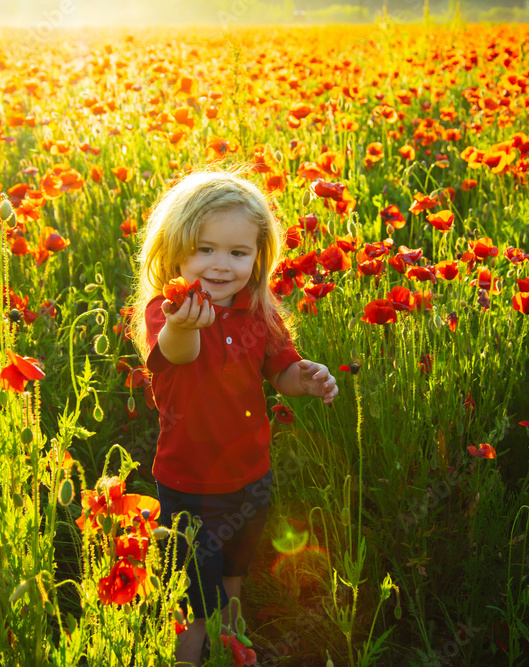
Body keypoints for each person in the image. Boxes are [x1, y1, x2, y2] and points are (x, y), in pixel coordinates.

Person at [129, 169, 338, 666]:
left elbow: (279, 369)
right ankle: (188, 659)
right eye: (205, 250)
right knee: (193, 594)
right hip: (190, 481)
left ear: (257, 258)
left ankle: (234, 650)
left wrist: (303, 378)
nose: (221, 266)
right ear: (175, 252)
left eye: (238, 253)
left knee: (233, 575)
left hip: (251, 475)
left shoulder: (259, 312)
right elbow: (175, 353)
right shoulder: (169, 310)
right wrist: (184, 325)